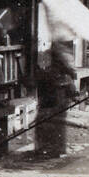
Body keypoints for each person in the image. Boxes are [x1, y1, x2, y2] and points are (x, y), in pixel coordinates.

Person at [33, 30, 78, 159]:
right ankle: (53, 148)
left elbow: (69, 69)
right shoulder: (60, 49)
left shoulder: (57, 49)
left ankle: (49, 148)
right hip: (55, 86)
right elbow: (70, 69)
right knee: (54, 119)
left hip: (56, 87)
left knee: (52, 119)